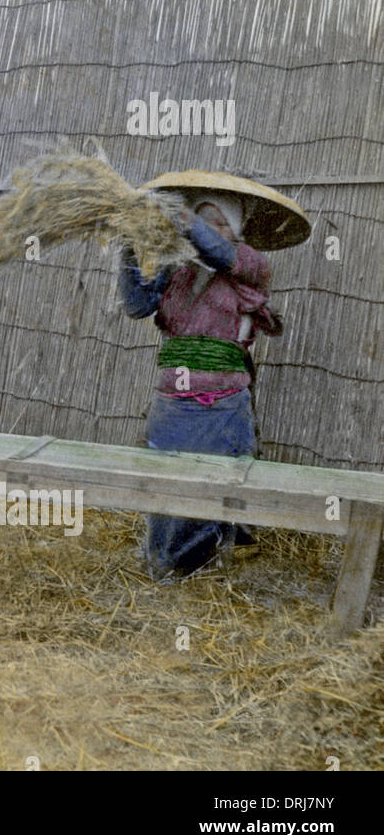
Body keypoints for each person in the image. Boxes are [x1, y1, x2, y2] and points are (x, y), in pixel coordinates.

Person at [120, 172, 309, 580]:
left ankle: (203, 574)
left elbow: (220, 252)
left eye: (219, 222)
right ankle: (163, 570)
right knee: (167, 488)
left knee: (211, 490)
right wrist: (129, 245)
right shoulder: (178, 270)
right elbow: (137, 305)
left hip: (220, 406)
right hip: (171, 405)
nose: (210, 230)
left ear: (236, 229)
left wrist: (182, 217)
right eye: (205, 218)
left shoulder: (251, 265)